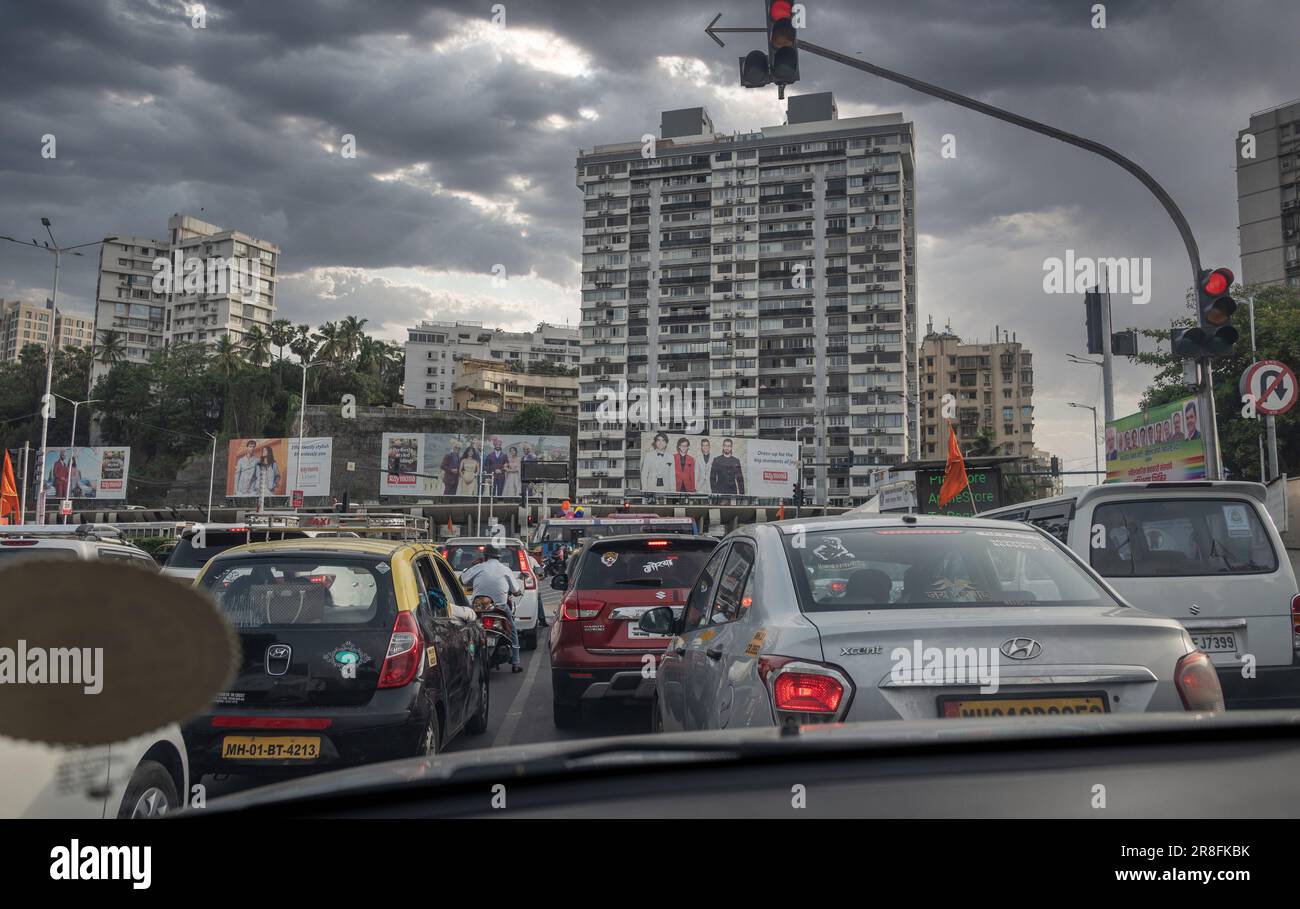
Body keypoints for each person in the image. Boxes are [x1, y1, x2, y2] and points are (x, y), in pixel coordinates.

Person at [460, 546, 524, 671]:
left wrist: (472, 564)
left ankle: (465, 657)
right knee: (513, 631)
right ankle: (515, 663)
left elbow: (462, 580)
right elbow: (516, 590)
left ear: (484, 556)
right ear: (499, 557)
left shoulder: (478, 567)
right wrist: (517, 592)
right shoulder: (505, 569)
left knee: (467, 629)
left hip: (479, 608)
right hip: (500, 607)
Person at [640, 431, 673, 498]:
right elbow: (644, 474)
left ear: (666, 443)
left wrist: (672, 490)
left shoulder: (671, 457)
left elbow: (672, 475)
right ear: (655, 442)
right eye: (658, 440)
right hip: (651, 488)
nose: (661, 443)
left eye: (663, 440)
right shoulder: (648, 456)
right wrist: (644, 489)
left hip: (665, 488)